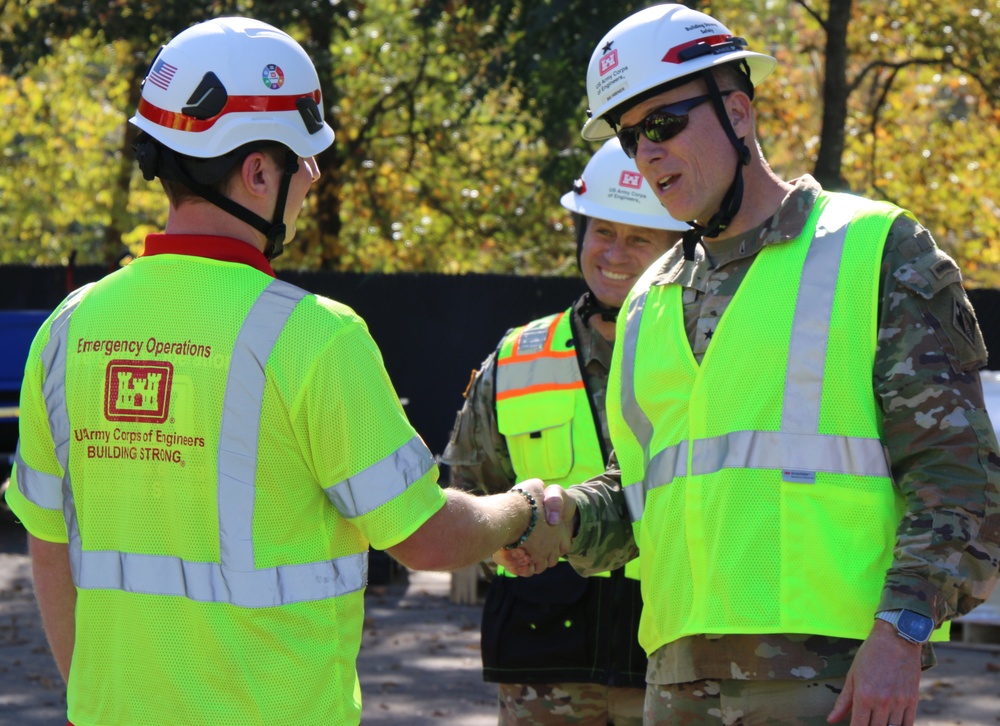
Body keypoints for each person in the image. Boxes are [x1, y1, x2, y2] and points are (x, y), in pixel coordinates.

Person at [4, 17, 542, 726]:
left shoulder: (68, 328)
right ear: (258, 170)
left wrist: (92, 703)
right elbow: (425, 539)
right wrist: (523, 509)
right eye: (304, 159)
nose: (312, 178)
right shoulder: (317, 336)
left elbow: (49, 547)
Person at [498, 4, 1000, 725]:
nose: (647, 155)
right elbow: (647, 497)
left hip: (829, 683)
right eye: (629, 137)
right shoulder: (648, 300)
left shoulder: (876, 250)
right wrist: (563, 520)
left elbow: (961, 479)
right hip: (673, 684)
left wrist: (903, 632)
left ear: (738, 112)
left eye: (664, 125)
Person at [443, 137, 687, 725]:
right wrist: (510, 542)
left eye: (639, 239)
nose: (615, 254)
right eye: (603, 232)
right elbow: (472, 491)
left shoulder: (703, 352)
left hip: (667, 660)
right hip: (540, 658)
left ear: (678, 247)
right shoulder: (518, 355)